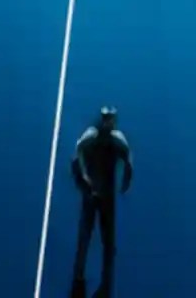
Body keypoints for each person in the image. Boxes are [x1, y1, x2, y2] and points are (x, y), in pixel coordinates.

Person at [70, 106, 132, 298]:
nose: (108, 121)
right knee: (86, 232)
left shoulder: (117, 139)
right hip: (92, 192)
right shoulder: (91, 136)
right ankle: (80, 275)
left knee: (107, 236)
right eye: (106, 118)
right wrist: (83, 178)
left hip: (106, 194)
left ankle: (102, 274)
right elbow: (77, 153)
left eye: (110, 118)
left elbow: (128, 159)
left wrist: (125, 180)